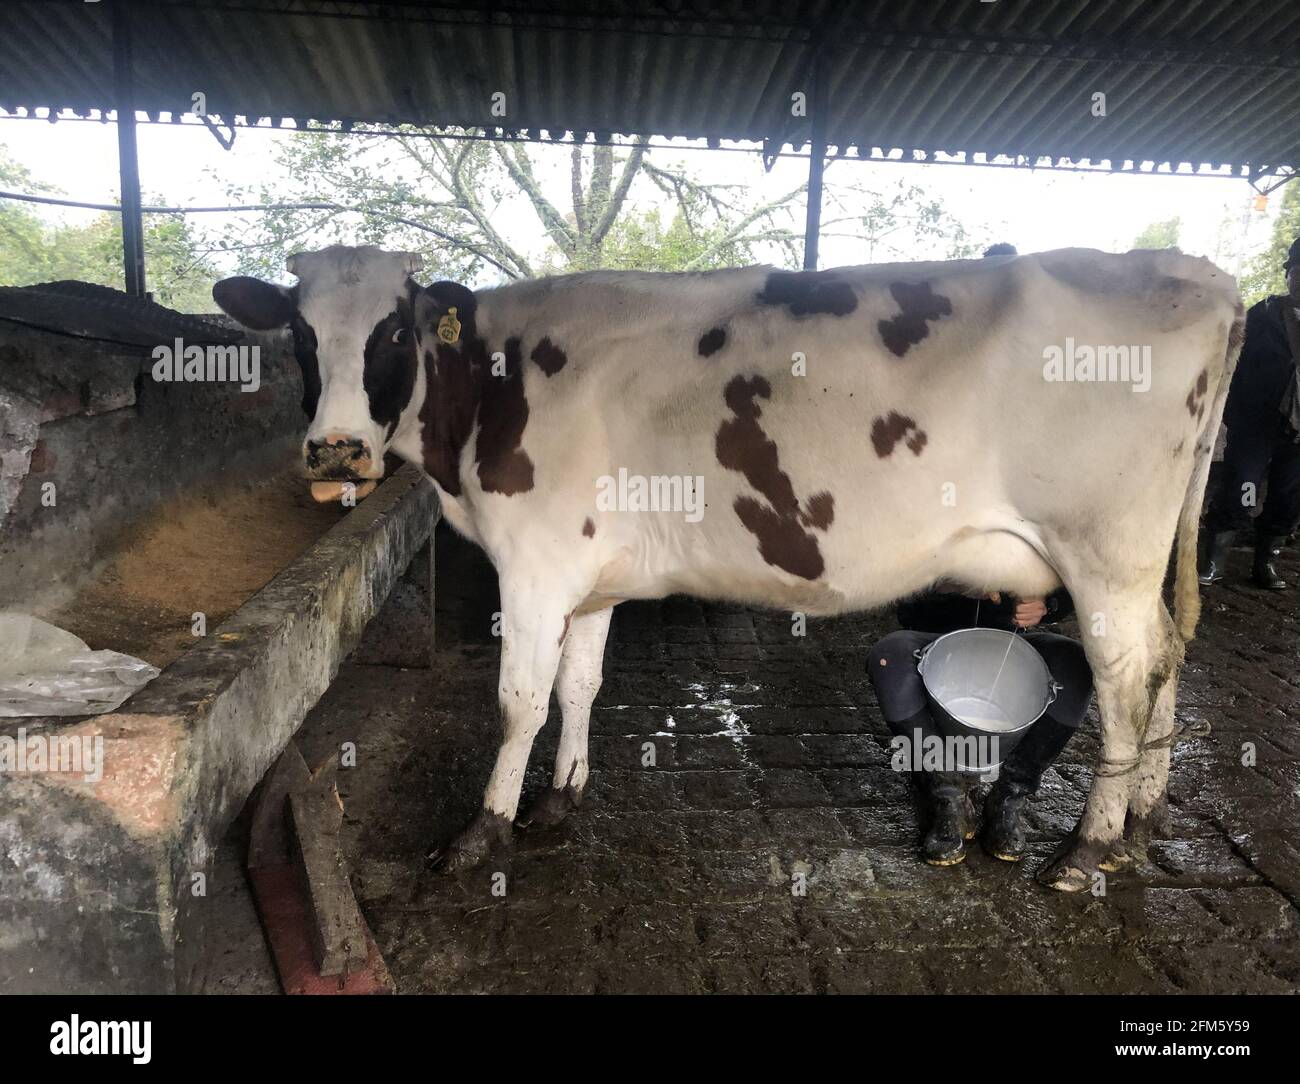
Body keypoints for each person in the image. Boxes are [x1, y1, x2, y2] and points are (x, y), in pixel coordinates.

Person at [867, 588, 1094, 866]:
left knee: (1075, 663)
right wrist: (958, 585)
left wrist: (1046, 604)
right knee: (887, 657)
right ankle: (947, 794)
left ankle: (1008, 797)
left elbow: (1069, 583)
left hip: (1009, 642)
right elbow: (903, 590)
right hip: (932, 640)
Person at [1199, 236, 1300, 590]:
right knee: (1242, 487)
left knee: (1288, 498)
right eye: (1297, 271)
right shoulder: (1264, 314)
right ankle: (1213, 558)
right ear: (1288, 274)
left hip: (1298, 433)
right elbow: (1231, 365)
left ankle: (1265, 562)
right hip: (1256, 423)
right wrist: (1233, 412)